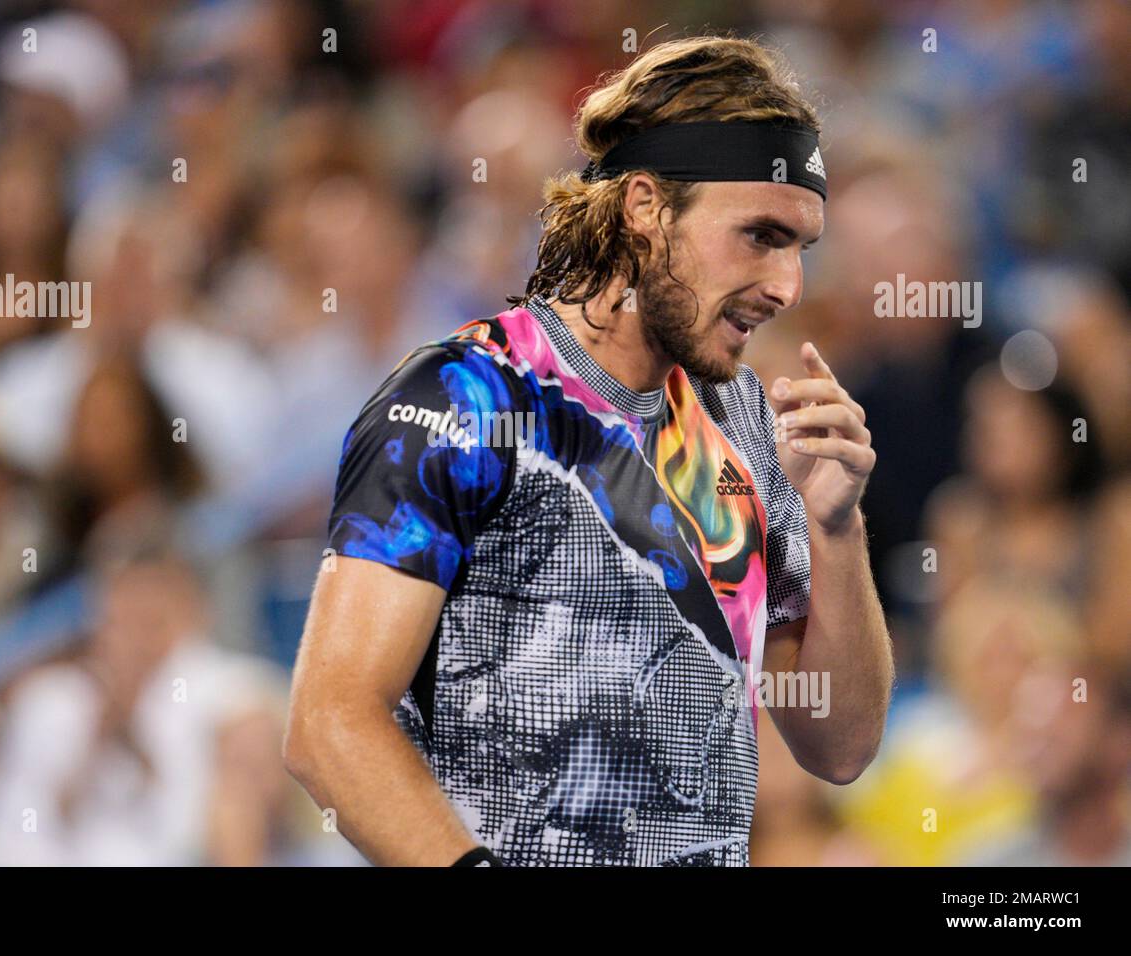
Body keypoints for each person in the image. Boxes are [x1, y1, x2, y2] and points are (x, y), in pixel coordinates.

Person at [285, 35, 894, 867]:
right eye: (759, 236)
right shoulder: (461, 397)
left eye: (800, 247)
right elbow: (329, 723)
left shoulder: (746, 418)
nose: (788, 286)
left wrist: (836, 528)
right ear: (645, 205)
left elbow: (840, 745)